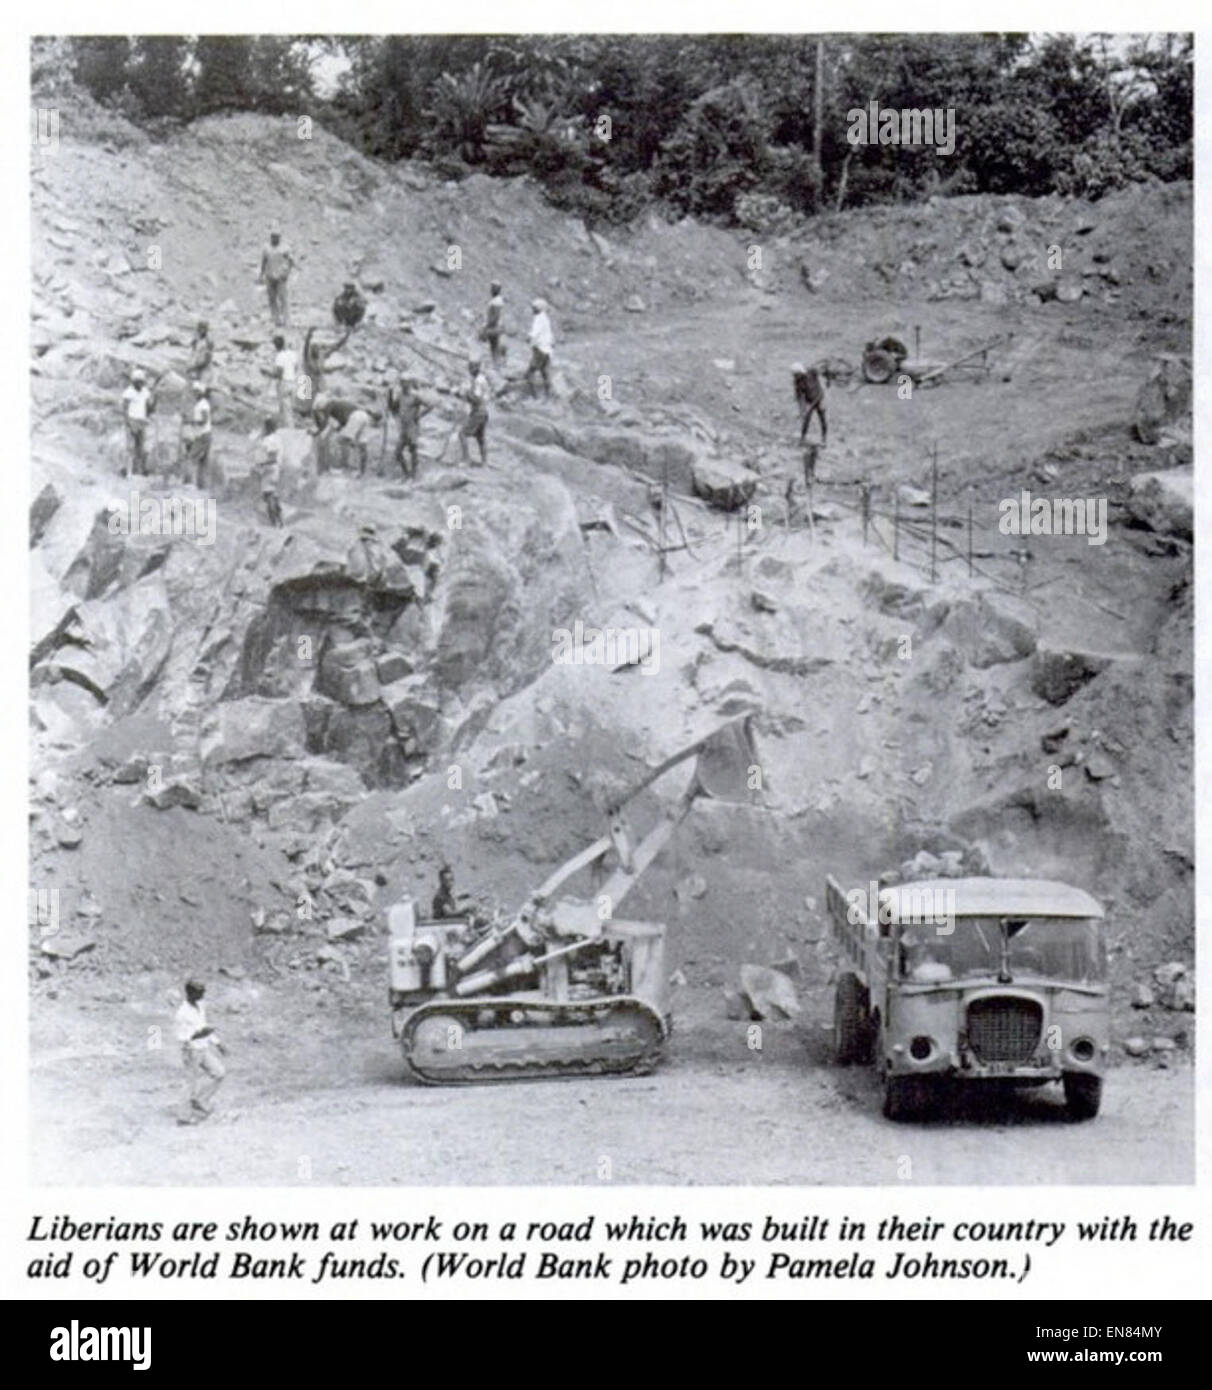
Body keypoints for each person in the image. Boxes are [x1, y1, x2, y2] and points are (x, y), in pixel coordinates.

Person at [174, 979, 226, 1124]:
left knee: (219, 1073)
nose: (203, 994)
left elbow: (204, 1026)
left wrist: (218, 1043)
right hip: (191, 1051)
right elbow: (183, 1037)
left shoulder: (200, 1006)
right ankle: (183, 1117)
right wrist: (199, 1034)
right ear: (191, 993)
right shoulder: (182, 1014)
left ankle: (200, 1100)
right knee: (189, 1083)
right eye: (200, 992)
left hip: (203, 1048)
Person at [387, 375, 432, 479]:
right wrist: (390, 393)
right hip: (403, 427)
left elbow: (430, 405)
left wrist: (419, 415)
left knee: (413, 450)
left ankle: (414, 475)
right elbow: (392, 408)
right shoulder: (400, 396)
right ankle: (406, 474)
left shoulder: (415, 396)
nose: (403, 385)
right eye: (402, 383)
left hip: (412, 427)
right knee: (398, 452)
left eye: (405, 383)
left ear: (410, 384)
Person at [301, 324, 350, 408]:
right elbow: (305, 349)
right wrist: (309, 335)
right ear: (311, 350)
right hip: (308, 383)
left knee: (322, 403)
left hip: (319, 383)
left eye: (317, 349)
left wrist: (346, 336)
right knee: (307, 406)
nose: (317, 351)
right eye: (314, 349)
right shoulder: (307, 358)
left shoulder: (321, 355)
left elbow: (335, 347)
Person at [259, 222, 294, 327]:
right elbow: (264, 261)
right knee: (272, 299)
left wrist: (286, 273)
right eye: (273, 236)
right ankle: (276, 320)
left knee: (283, 299)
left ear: (279, 237)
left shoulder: (285, 248)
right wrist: (261, 273)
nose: (274, 238)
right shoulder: (266, 248)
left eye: (276, 236)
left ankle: (287, 321)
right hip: (270, 277)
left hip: (281, 278)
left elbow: (291, 261)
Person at [121, 369, 156, 476]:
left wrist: (152, 403)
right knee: (130, 448)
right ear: (134, 382)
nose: (140, 384)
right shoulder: (128, 392)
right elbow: (124, 409)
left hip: (142, 421)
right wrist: (128, 423)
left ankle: (141, 470)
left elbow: (149, 406)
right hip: (132, 421)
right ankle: (128, 471)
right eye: (138, 382)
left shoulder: (145, 391)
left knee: (141, 448)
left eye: (142, 382)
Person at [254, 416, 285, 527]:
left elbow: (272, 455)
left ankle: (274, 522)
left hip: (270, 468)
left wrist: (262, 464)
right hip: (275, 468)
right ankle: (280, 519)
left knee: (268, 495)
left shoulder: (269, 440)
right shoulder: (277, 438)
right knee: (272, 494)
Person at [459, 356, 490, 465]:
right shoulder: (481, 379)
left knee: (462, 434)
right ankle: (484, 462)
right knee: (480, 437)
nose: (469, 369)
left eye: (471, 367)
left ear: (476, 367)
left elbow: (476, 399)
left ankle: (465, 459)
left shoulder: (478, 381)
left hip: (478, 411)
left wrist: (464, 393)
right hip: (484, 412)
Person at [792, 361, 828, 451]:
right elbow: (800, 397)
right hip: (810, 401)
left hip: (819, 398)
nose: (795, 376)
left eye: (796, 374)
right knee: (806, 419)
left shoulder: (811, 372)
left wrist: (828, 377)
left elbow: (822, 371)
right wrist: (802, 410)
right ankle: (803, 438)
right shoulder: (797, 382)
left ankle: (824, 439)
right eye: (795, 375)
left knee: (822, 418)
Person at [183, 382, 212, 488]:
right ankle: (202, 485)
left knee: (191, 457)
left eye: (197, 392)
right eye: (194, 392)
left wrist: (191, 421)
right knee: (202, 461)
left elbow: (204, 420)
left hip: (203, 435)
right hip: (205, 434)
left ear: (201, 393)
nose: (195, 394)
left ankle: (189, 483)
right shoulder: (201, 404)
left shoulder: (203, 404)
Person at [525, 297, 553, 398]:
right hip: (547, 351)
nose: (532, 310)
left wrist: (528, 337)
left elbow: (535, 333)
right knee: (545, 373)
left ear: (538, 309)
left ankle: (534, 396)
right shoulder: (545, 318)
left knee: (529, 373)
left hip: (539, 350)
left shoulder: (539, 318)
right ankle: (548, 395)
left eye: (534, 308)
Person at [482, 281, 505, 364]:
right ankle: (496, 362)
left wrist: (486, 327)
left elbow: (495, 317)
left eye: (493, 288)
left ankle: (478, 360)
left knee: (483, 340)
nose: (491, 290)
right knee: (494, 345)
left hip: (494, 327)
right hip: (496, 327)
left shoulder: (496, 302)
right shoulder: (497, 300)